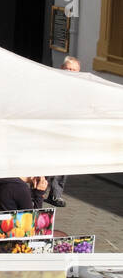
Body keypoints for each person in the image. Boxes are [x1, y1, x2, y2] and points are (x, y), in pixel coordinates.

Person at [44, 57, 81, 206]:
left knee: (64, 163)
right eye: (69, 69)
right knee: (47, 161)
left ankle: (56, 194)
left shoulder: (81, 88)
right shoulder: (53, 84)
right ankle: (38, 190)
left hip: (69, 131)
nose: (71, 72)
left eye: (74, 70)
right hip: (52, 129)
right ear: (62, 67)